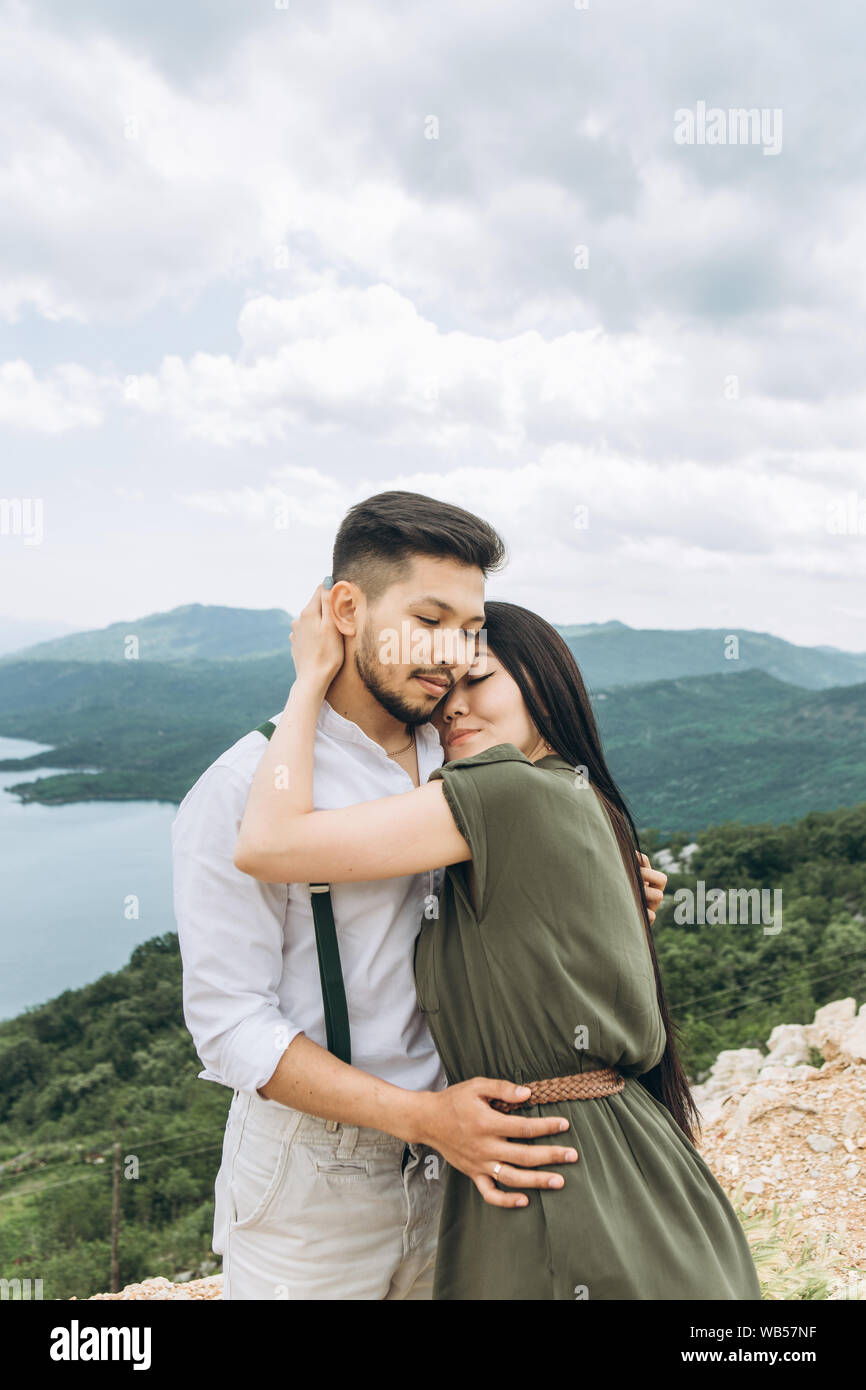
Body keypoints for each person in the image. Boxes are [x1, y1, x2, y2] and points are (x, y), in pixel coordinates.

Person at [173, 489, 669, 1300]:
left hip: (473, 1163)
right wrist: (421, 1120)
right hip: (317, 1181)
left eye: (470, 630)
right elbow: (229, 1027)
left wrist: (604, 903)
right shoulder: (240, 790)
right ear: (345, 609)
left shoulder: (468, 748)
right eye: (429, 620)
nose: (452, 654)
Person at [234, 586, 763, 1301]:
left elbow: (269, 843)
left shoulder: (501, 791)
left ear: (546, 682)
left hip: (551, 1174)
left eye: (477, 679)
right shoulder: (585, 803)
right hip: (624, 1164)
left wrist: (308, 684)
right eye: (444, 688)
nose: (453, 706)